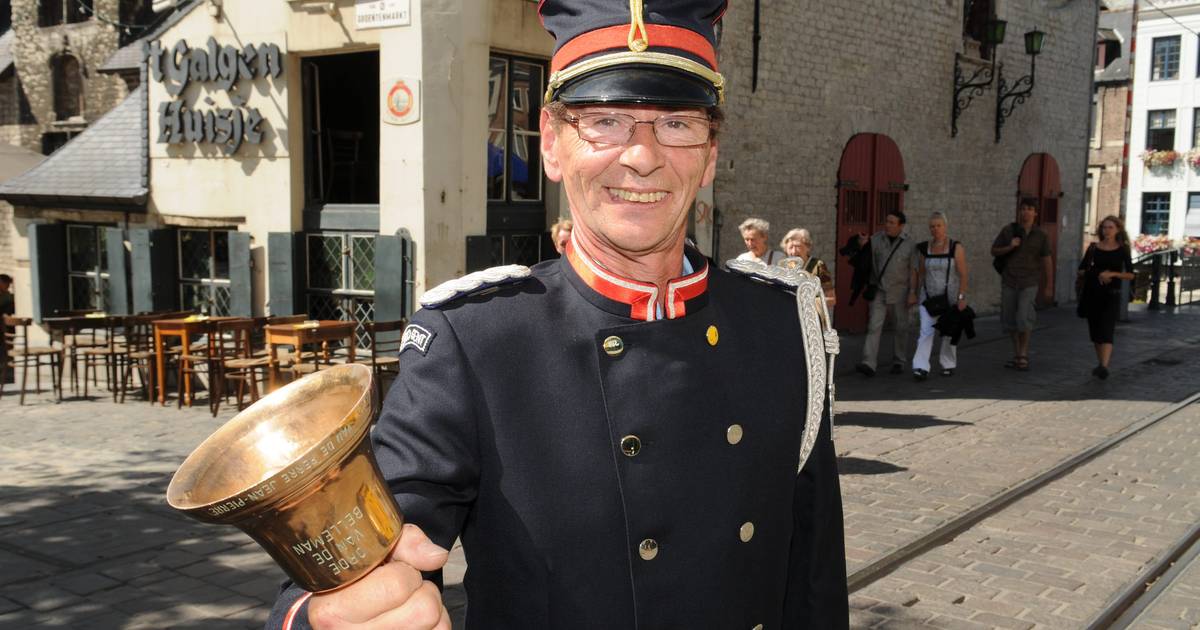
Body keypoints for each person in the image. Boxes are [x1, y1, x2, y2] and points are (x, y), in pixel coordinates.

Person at [268, 2, 848, 628]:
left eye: (677, 123)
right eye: (604, 121)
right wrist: (323, 615)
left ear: (709, 153)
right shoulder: (476, 339)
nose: (642, 156)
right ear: (551, 143)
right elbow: (375, 547)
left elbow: (814, 579)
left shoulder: (782, 325)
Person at [990, 199, 1054, 371]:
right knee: (1010, 319)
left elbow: (1047, 260)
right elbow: (994, 250)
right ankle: (1017, 353)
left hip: (1029, 281)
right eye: (1023, 208)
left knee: (1023, 318)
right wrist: (1010, 246)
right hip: (1010, 280)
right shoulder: (1009, 230)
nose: (1026, 212)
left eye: (1030, 209)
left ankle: (1024, 353)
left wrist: (1049, 286)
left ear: (1035, 213)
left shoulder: (1041, 235)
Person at [855, 209, 916, 377]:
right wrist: (862, 244)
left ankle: (899, 360)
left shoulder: (910, 244)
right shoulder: (876, 239)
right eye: (886, 222)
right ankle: (869, 363)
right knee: (874, 325)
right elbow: (864, 255)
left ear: (901, 226)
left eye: (892, 222)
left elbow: (913, 270)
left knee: (900, 327)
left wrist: (912, 292)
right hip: (879, 290)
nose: (887, 225)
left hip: (900, 291)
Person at [910, 212, 969, 380]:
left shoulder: (955, 247)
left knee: (948, 332)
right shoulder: (924, 248)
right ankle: (920, 367)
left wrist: (962, 297)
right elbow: (920, 273)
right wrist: (913, 292)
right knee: (925, 331)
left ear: (945, 226)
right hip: (928, 297)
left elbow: (963, 274)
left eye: (938, 225)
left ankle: (947, 364)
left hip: (949, 297)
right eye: (932, 226)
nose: (935, 229)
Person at [1077, 215, 1134, 380]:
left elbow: (1130, 275)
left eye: (1110, 227)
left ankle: (1104, 366)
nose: (1107, 230)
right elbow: (1081, 270)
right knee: (1095, 332)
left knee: (1107, 329)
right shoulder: (1093, 248)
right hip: (1092, 293)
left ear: (1117, 230)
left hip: (1111, 294)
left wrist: (1113, 274)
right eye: (1104, 227)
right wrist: (1098, 274)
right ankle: (1100, 362)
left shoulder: (1122, 249)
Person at [781, 227, 835, 305]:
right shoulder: (786, 267)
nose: (793, 251)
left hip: (812, 315)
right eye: (790, 247)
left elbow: (831, 299)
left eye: (798, 246)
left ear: (808, 247)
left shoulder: (818, 266)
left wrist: (807, 302)